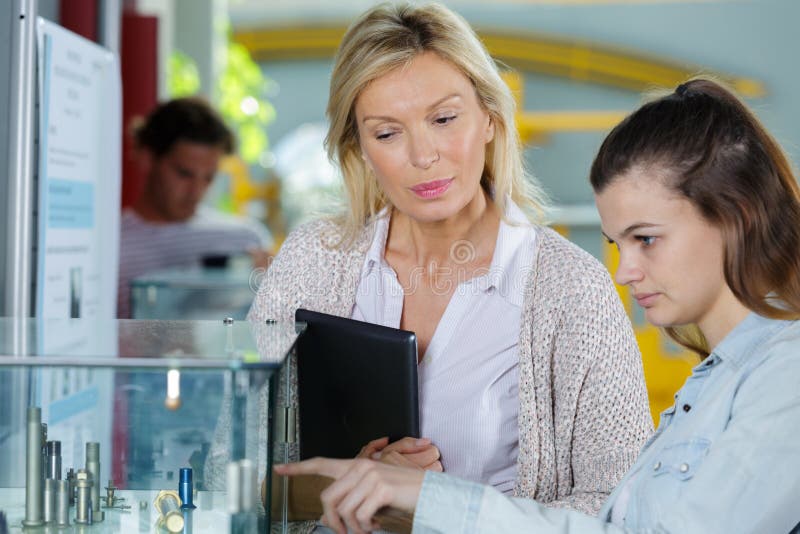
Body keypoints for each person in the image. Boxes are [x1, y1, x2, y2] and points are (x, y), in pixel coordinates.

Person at [276, 78, 800, 534]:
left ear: (737, 215)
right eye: (619, 243)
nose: (625, 271)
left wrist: (430, 500)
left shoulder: (786, 374)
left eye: (647, 239)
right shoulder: (713, 383)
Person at [248, 1, 652, 517]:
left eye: (443, 118)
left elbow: (622, 505)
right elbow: (233, 471)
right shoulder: (313, 259)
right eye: (388, 132)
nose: (423, 156)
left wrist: (429, 503)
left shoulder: (571, 288)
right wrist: (361, 482)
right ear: (359, 147)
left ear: (488, 117)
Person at [118, 97, 273, 318]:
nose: (197, 190)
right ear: (147, 158)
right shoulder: (109, 247)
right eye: (184, 174)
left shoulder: (245, 238)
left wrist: (277, 289)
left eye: (208, 178)